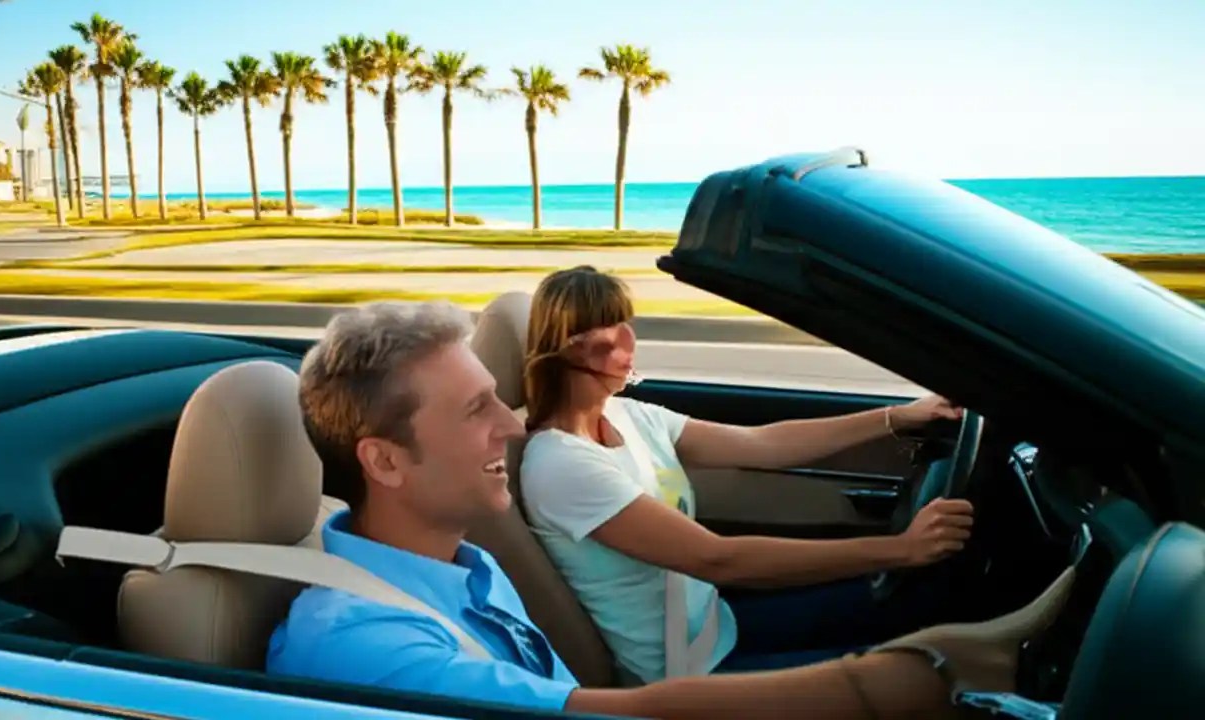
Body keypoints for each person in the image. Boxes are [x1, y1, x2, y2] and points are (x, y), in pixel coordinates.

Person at [266, 299, 1075, 720]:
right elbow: (620, 711)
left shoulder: (463, 564)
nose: (510, 426)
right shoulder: (361, 640)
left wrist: (897, 418)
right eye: (477, 410)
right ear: (384, 461)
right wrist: (916, 674)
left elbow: (763, 447)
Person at [518, 265, 977, 682]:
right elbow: (718, 558)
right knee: (920, 677)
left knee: (916, 614)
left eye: (626, 325)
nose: (628, 340)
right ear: (571, 349)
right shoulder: (562, 465)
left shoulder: (630, 417)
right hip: (686, 676)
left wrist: (897, 417)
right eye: (610, 329)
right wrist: (900, 549)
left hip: (717, 627)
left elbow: (763, 445)